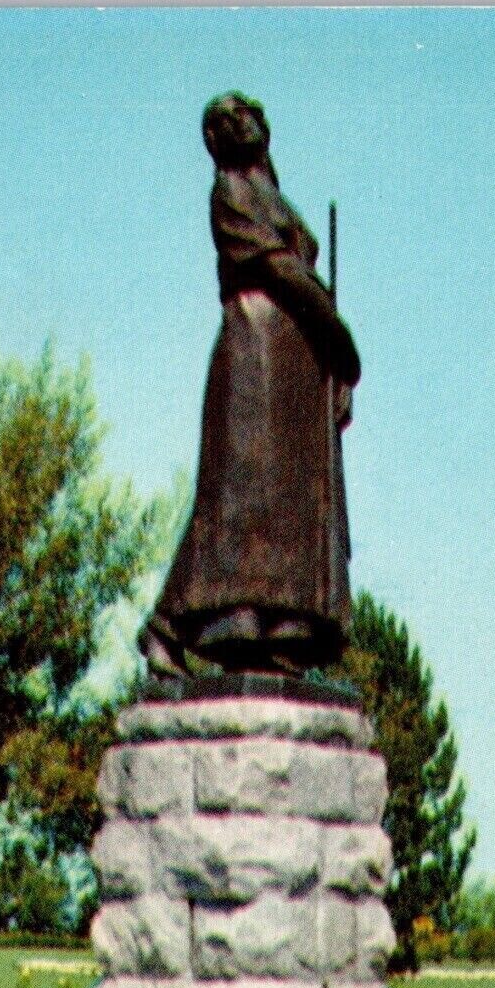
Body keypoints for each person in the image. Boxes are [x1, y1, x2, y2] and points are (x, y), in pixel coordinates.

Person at [145, 92, 361, 677]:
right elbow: (277, 266)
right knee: (236, 496)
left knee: (286, 498)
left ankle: (280, 632)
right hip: (254, 349)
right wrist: (338, 331)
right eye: (226, 122)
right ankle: (171, 629)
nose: (241, 125)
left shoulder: (274, 197)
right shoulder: (230, 194)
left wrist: (333, 362)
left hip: (295, 361)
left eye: (247, 114)